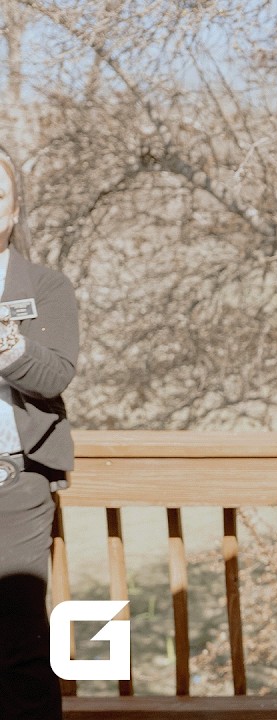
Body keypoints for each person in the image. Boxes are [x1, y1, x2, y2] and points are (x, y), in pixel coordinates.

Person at [0, 144, 80, 720]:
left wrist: (8, 345)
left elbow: (55, 374)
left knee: (20, 644)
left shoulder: (46, 286)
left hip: (14, 489)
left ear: (14, 206)